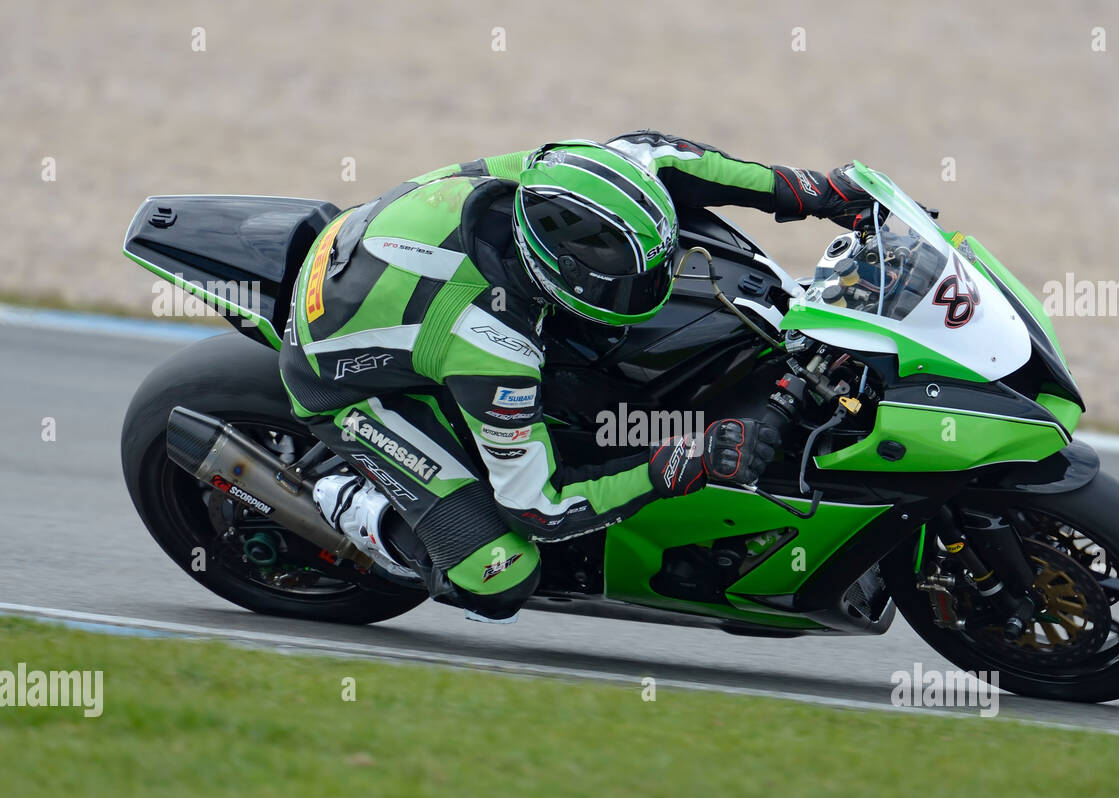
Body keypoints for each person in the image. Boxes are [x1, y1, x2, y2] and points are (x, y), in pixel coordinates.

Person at [278, 131, 880, 623]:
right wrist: (679, 462)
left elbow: (674, 159)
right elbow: (538, 506)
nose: (657, 286)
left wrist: (815, 192)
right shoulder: (492, 348)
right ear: (562, 274)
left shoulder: (574, 174)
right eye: (636, 280)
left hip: (376, 258)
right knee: (500, 575)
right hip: (343, 383)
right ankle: (355, 507)